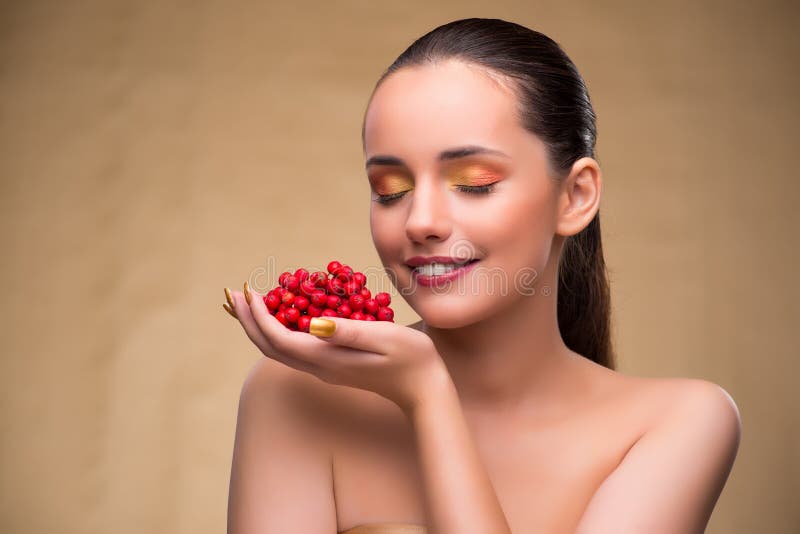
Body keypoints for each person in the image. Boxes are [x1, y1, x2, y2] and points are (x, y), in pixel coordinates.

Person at [223, 18, 741, 534]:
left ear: (575, 196)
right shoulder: (296, 395)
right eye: (390, 189)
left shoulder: (679, 423)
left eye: (474, 183)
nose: (421, 221)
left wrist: (428, 396)